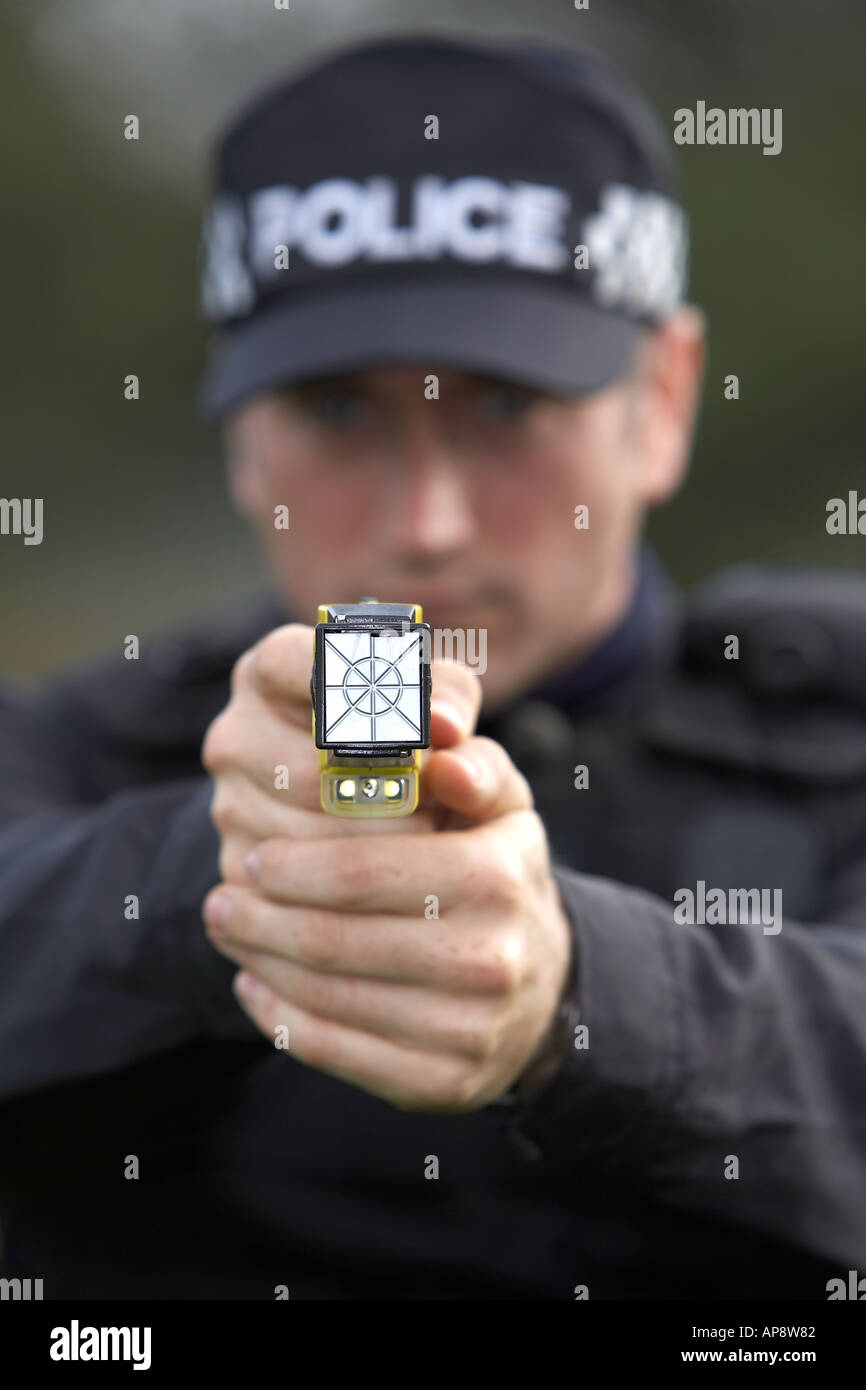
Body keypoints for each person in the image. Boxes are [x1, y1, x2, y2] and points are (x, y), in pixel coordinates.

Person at [1, 32, 864, 1301]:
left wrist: (579, 989)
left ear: (662, 401)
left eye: (506, 406)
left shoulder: (837, 725)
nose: (427, 523)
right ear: (240, 437)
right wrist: (234, 871)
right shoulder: (81, 745)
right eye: (338, 413)